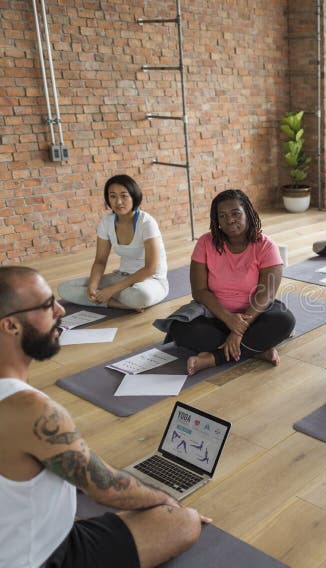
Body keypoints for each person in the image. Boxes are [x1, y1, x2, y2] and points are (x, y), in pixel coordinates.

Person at [0, 266, 206, 567]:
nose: (60, 310)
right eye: (46, 305)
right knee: (183, 522)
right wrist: (168, 502)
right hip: (40, 558)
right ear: (10, 326)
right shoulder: (31, 410)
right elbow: (107, 488)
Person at [162, 189, 296, 375]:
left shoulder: (266, 246)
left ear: (247, 213)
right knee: (180, 328)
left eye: (235, 213)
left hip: (255, 315)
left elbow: (266, 295)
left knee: (284, 320)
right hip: (215, 315)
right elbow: (199, 291)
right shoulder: (205, 243)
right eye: (222, 216)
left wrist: (238, 330)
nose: (229, 220)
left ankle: (212, 359)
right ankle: (256, 350)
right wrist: (228, 318)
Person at [58, 175, 168, 311]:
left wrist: (111, 290)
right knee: (64, 289)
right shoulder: (107, 222)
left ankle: (115, 299)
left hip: (150, 281)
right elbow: (100, 260)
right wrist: (92, 286)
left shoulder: (147, 222)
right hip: (122, 277)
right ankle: (117, 304)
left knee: (140, 296)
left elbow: (150, 268)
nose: (119, 202)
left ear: (134, 196)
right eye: (113, 196)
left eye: (124, 196)